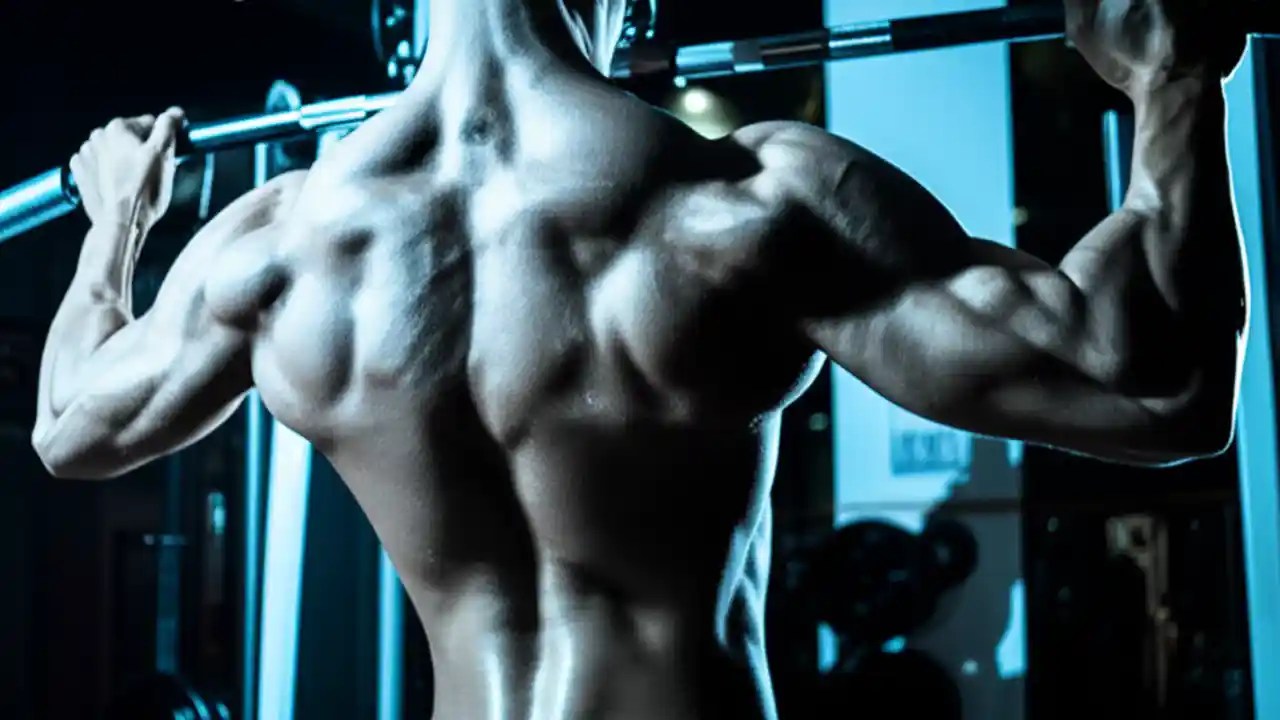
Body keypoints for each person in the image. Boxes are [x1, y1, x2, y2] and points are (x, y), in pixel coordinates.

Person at [32, 0, 1247, 718]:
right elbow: (1153, 383)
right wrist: (1169, 77)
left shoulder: (279, 249)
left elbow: (70, 427)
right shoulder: (747, 209)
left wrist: (114, 228)